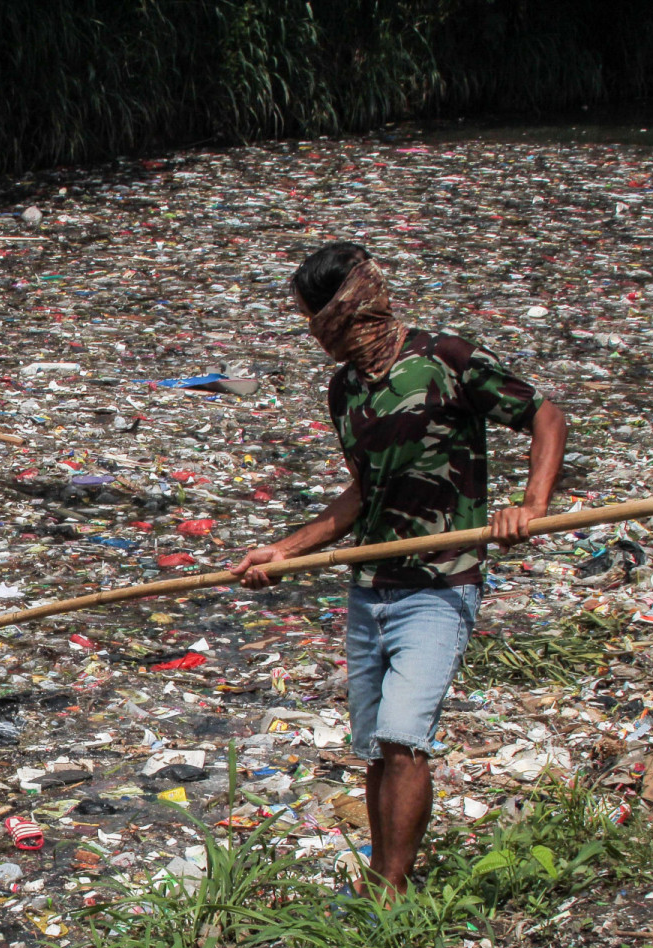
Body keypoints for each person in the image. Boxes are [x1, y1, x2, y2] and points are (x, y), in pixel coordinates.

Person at [231, 242, 568, 896]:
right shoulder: (346, 390)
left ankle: (391, 891)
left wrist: (529, 507)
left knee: (404, 736)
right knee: (379, 748)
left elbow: (545, 417)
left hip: (442, 583)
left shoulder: (446, 361)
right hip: (372, 589)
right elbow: (363, 492)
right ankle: (384, 880)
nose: (317, 336)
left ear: (346, 310)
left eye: (315, 319)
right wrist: (285, 551)